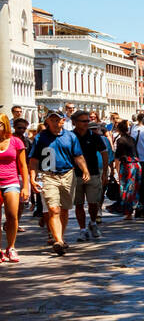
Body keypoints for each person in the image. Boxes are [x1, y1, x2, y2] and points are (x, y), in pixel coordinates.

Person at [28, 110, 89, 256]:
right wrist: (32, 177)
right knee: (53, 209)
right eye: (52, 120)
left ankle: (61, 236)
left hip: (68, 174)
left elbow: (78, 156)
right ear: (47, 122)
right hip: (48, 176)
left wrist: (85, 170)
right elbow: (34, 160)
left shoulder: (70, 136)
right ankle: (58, 241)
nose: (55, 122)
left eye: (58, 120)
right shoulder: (40, 138)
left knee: (65, 209)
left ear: (63, 121)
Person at [70, 111, 110, 241]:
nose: (87, 123)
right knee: (79, 204)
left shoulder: (94, 136)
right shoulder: (70, 136)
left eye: (88, 121)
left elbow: (104, 153)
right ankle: (82, 230)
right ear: (74, 122)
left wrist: (105, 172)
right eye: (84, 121)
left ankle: (92, 222)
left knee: (94, 203)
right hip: (75, 175)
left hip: (93, 173)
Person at [0, 115, 30, 262]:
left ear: (5, 125)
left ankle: (11, 247)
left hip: (11, 181)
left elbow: (23, 165)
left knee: (12, 216)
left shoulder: (15, 141)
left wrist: (26, 186)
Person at [113, 127, 143, 219]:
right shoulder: (132, 139)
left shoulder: (120, 140)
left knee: (126, 188)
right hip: (136, 165)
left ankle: (128, 212)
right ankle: (136, 208)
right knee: (135, 188)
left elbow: (118, 155)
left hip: (127, 165)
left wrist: (116, 170)